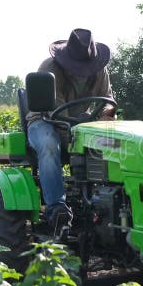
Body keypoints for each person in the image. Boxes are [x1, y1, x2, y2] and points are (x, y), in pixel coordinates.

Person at [26, 28, 116, 239]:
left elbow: (107, 99)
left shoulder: (99, 71)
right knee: (49, 145)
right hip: (46, 120)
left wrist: (105, 116)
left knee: (115, 143)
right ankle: (57, 210)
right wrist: (78, 136)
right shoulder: (49, 70)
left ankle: (107, 205)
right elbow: (54, 111)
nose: (81, 71)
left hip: (81, 123)